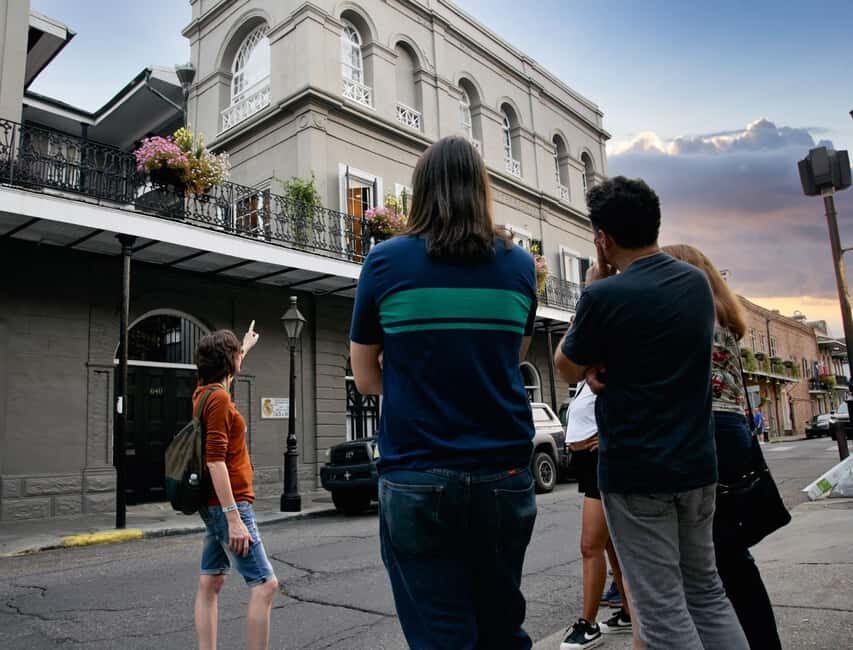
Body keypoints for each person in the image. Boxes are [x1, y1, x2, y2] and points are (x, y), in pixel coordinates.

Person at [349, 136, 539, 648]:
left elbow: (366, 378)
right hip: (504, 473)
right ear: (482, 190)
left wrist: (409, 369)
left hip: (416, 474)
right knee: (501, 629)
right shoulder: (520, 267)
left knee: (439, 635)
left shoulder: (385, 262)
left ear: (420, 190)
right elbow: (512, 357)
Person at [554, 176, 748, 649]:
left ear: (603, 239)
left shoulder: (605, 297)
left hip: (638, 470)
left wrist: (595, 289)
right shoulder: (697, 284)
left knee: (660, 609)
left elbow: (564, 367)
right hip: (698, 465)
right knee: (707, 591)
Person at [662, 244, 782, 650]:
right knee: (731, 556)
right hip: (731, 429)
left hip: (701, 427)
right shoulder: (723, 319)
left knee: (701, 560)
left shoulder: (682, 315)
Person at [193, 324, 279, 650]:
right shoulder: (217, 399)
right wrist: (233, 518)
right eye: (235, 355)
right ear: (228, 363)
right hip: (228, 503)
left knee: (211, 580)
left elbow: (228, 376)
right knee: (265, 585)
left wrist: (243, 346)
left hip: (214, 502)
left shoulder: (206, 392)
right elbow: (215, 461)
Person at [561, 377, 632, 650]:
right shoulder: (586, 376)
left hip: (601, 460)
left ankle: (587, 624)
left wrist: (612, 436)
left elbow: (631, 398)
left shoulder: (606, 365)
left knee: (590, 545)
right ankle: (628, 610)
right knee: (611, 543)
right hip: (588, 461)